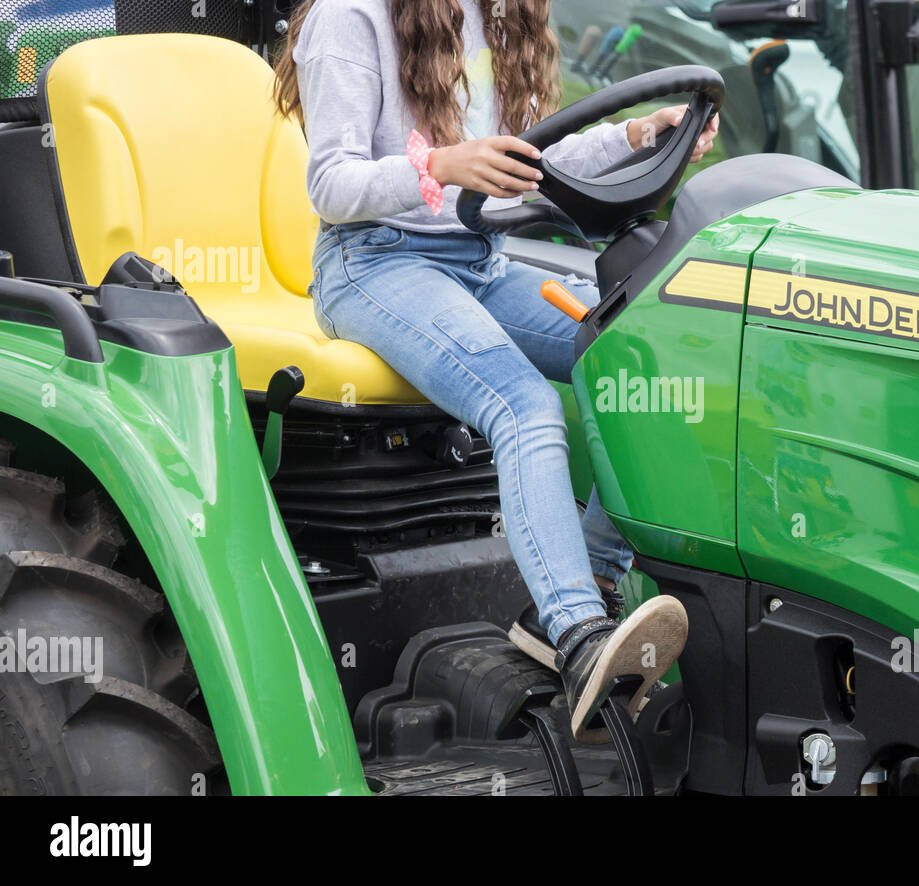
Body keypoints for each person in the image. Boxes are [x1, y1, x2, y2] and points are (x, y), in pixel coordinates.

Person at [273, 0, 718, 743]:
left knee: (642, 359)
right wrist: (437, 166)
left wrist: (638, 134)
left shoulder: (494, 19)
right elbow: (332, 184)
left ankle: (591, 585)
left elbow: (527, 164)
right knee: (525, 405)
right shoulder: (349, 17)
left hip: (481, 261)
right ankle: (579, 638)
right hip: (373, 261)